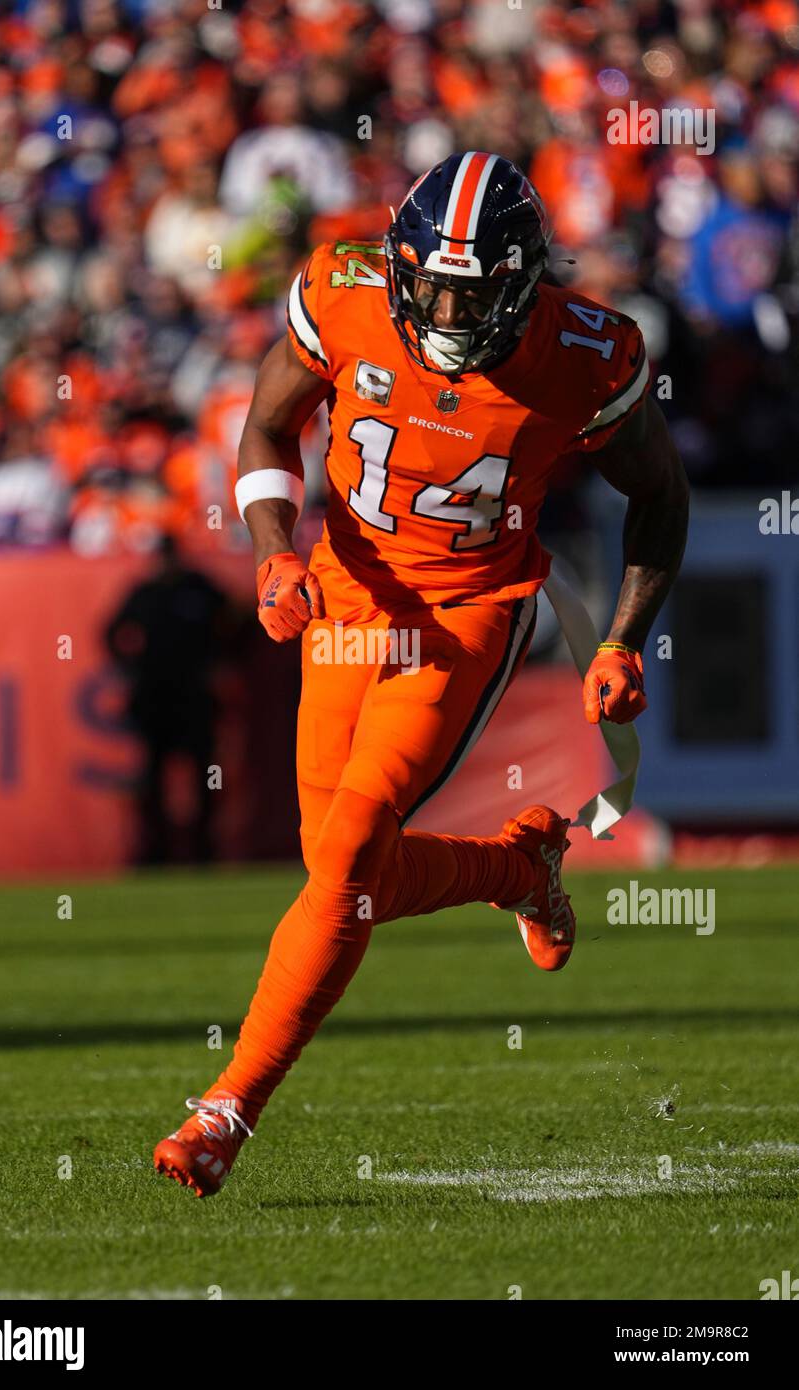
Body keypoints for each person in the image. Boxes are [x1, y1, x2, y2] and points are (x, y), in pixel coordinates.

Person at [154, 152, 689, 1196]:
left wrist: (622, 638)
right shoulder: (342, 290)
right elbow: (267, 425)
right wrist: (271, 548)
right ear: (398, 266)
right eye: (432, 283)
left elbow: (658, 499)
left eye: (475, 287)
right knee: (336, 875)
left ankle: (227, 1107)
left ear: (524, 278)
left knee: (351, 849)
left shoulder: (585, 353)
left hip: (461, 616)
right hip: (345, 605)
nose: (448, 308)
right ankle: (513, 869)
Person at [105, 534, 246, 865]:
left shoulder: (199, 588)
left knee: (205, 776)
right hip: (156, 698)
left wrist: (224, 662)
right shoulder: (146, 592)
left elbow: (239, 623)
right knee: (153, 777)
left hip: (194, 697)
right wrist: (130, 669)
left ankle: (203, 851)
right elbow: (111, 631)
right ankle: (154, 852)